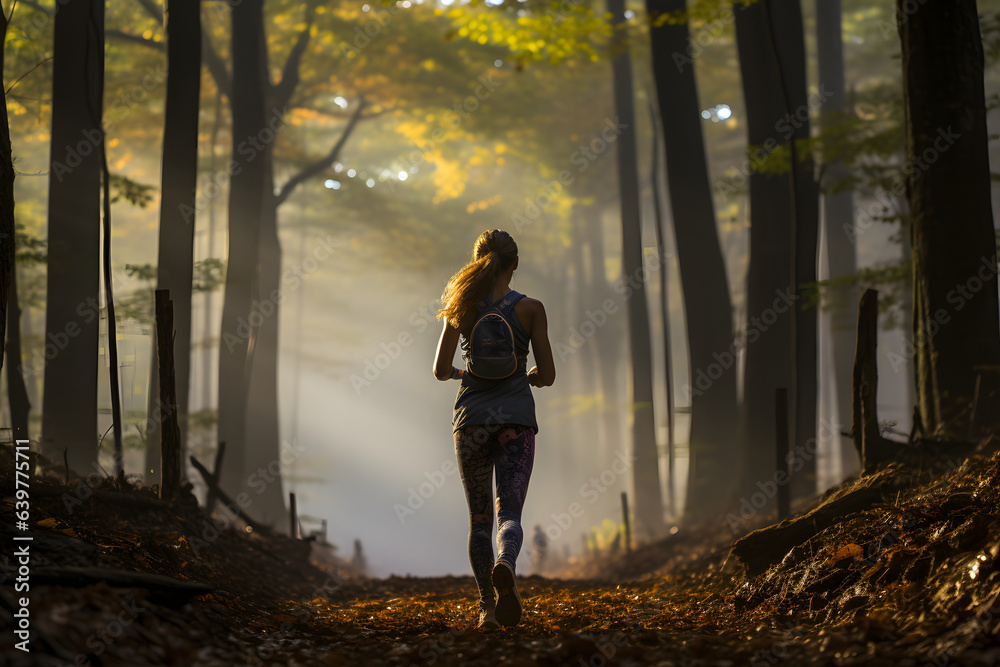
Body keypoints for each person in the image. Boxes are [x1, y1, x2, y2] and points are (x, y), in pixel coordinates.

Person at [433, 229, 556, 630]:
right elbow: (549, 375)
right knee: (510, 512)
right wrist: (532, 377)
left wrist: (460, 374)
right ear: (514, 264)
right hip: (517, 419)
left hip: (471, 421)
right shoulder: (532, 308)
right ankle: (507, 562)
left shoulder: (461, 305)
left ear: (478, 260)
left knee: (479, 519)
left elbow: (439, 370)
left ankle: (487, 608)